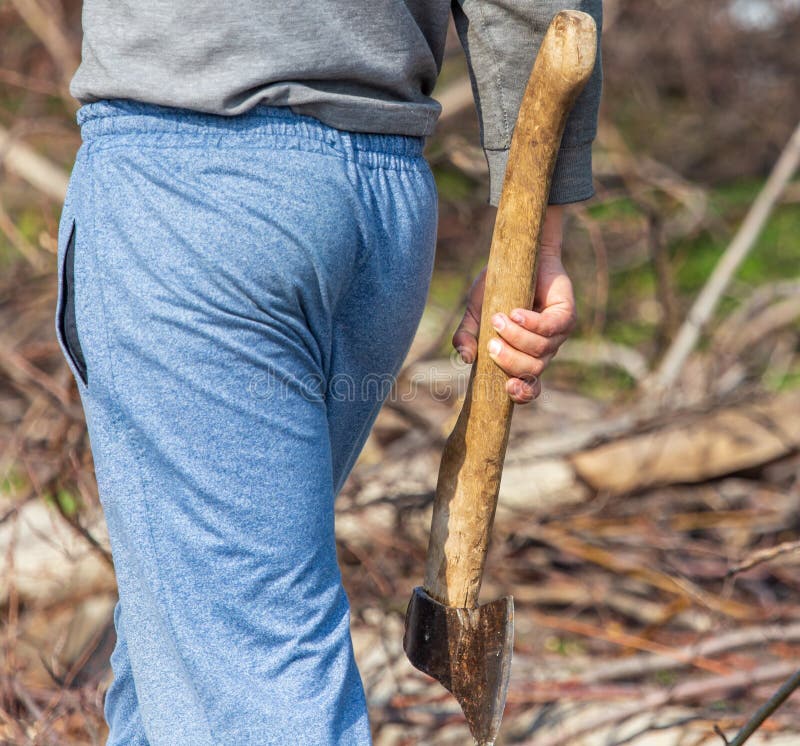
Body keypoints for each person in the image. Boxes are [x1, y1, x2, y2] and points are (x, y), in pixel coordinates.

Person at [54, 1, 602, 744]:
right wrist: (540, 236)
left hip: (192, 181)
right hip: (380, 207)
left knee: (254, 665)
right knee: (184, 642)